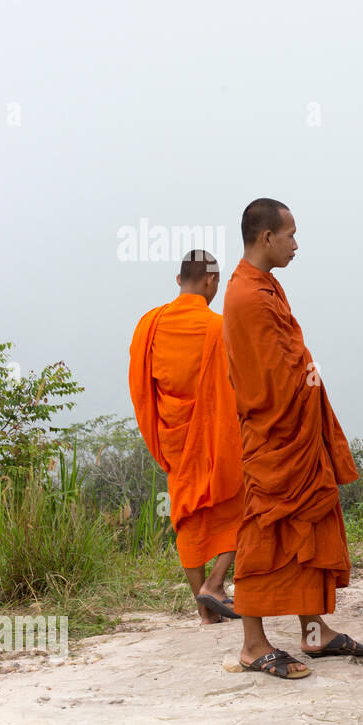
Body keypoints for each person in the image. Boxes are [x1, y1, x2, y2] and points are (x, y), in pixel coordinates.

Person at [222, 198, 363, 679]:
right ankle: (251, 644)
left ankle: (314, 632)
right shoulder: (246, 295)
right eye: (290, 235)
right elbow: (267, 377)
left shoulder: (266, 286)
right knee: (265, 530)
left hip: (297, 435)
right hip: (275, 437)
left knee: (307, 524)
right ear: (267, 237)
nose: (296, 244)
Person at [128, 249, 244, 625]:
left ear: (179, 280)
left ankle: (204, 611)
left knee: (187, 516)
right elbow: (237, 386)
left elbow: (141, 387)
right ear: (211, 281)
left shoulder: (150, 325)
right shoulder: (218, 328)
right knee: (243, 504)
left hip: (174, 437)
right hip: (214, 436)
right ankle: (215, 583)